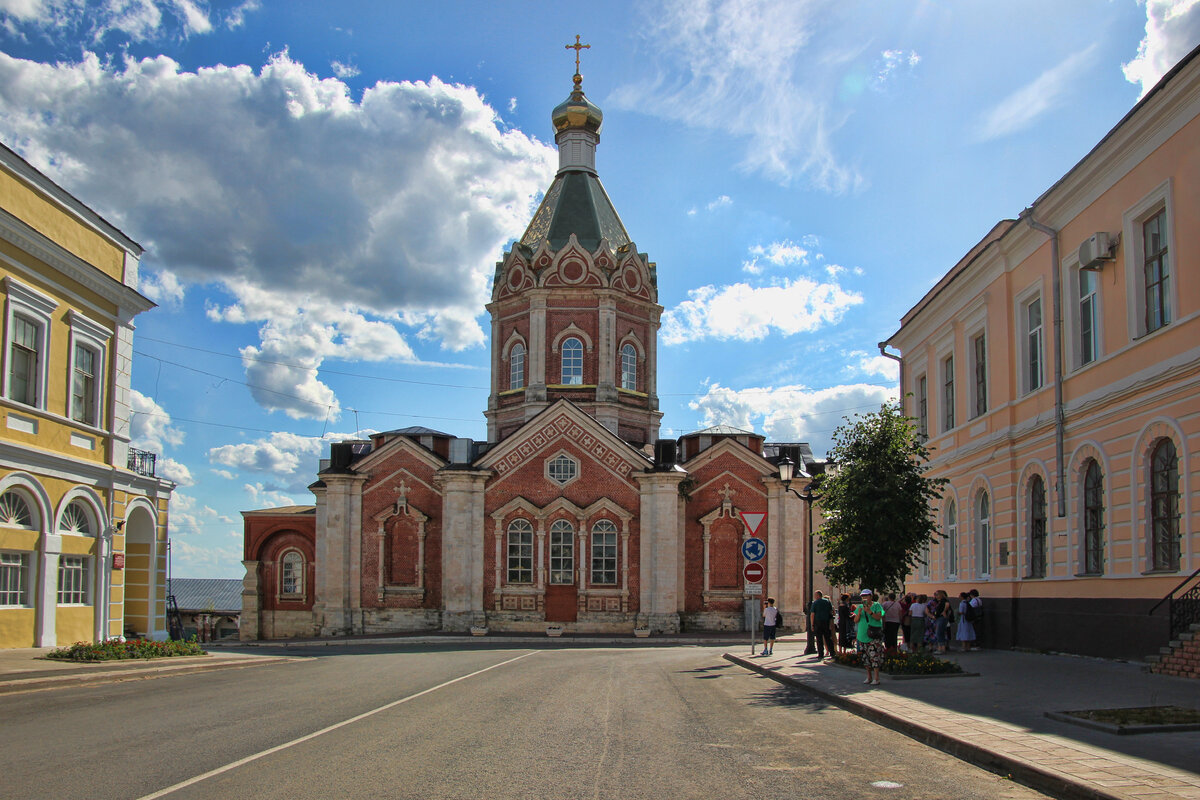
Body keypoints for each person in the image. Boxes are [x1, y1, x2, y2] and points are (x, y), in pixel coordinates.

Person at [853, 588, 886, 685]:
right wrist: (859, 613)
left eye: (866, 596)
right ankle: (869, 677)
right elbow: (855, 620)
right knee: (865, 657)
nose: (864, 598)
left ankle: (876, 678)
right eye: (863, 596)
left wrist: (869, 612)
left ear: (871, 596)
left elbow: (879, 617)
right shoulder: (859, 607)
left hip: (873, 635)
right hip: (862, 635)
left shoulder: (877, 605)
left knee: (874, 656)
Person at [809, 590, 835, 660]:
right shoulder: (827, 601)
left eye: (815, 595)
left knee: (819, 639)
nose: (814, 597)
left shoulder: (815, 603)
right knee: (828, 638)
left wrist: (812, 624)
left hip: (818, 622)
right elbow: (831, 611)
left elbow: (812, 614)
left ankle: (821, 654)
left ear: (818, 596)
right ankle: (832, 653)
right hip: (826, 622)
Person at [933, 589, 951, 654]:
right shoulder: (939, 601)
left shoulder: (944, 601)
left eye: (937, 595)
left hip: (941, 618)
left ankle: (941, 648)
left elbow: (947, 605)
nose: (936, 596)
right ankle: (941, 648)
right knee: (940, 633)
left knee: (939, 632)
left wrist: (944, 611)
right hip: (939, 618)